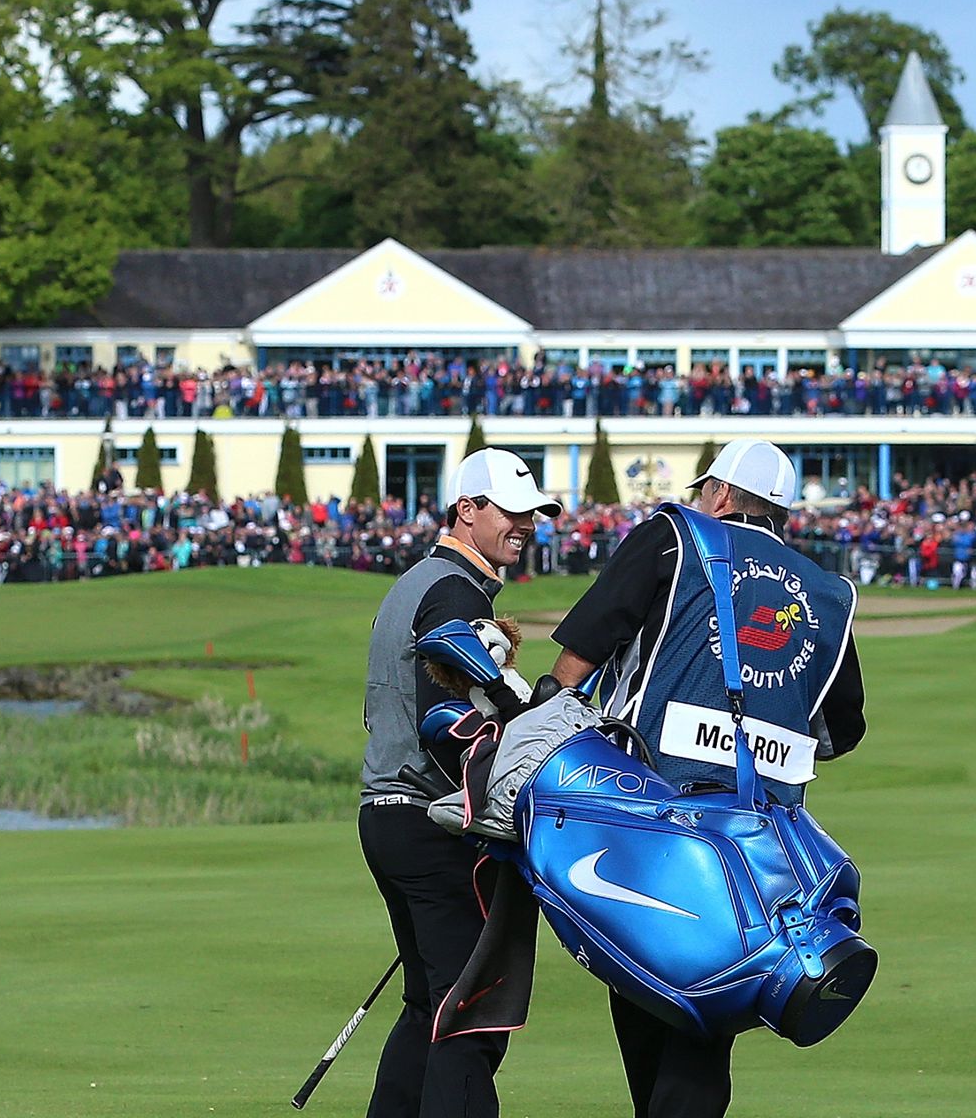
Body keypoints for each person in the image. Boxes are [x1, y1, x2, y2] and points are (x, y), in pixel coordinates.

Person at [544, 438, 867, 1118]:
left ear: (719, 495)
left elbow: (585, 648)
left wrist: (548, 700)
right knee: (708, 1018)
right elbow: (841, 731)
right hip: (758, 842)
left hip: (646, 812)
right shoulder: (828, 591)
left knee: (647, 987)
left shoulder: (676, 533)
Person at [356, 447, 561, 1118]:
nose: (525, 526)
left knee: (429, 1006)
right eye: (511, 512)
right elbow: (446, 723)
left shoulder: (420, 581)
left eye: (532, 515)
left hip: (387, 816)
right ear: (467, 510)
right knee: (470, 1018)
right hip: (431, 820)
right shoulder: (452, 591)